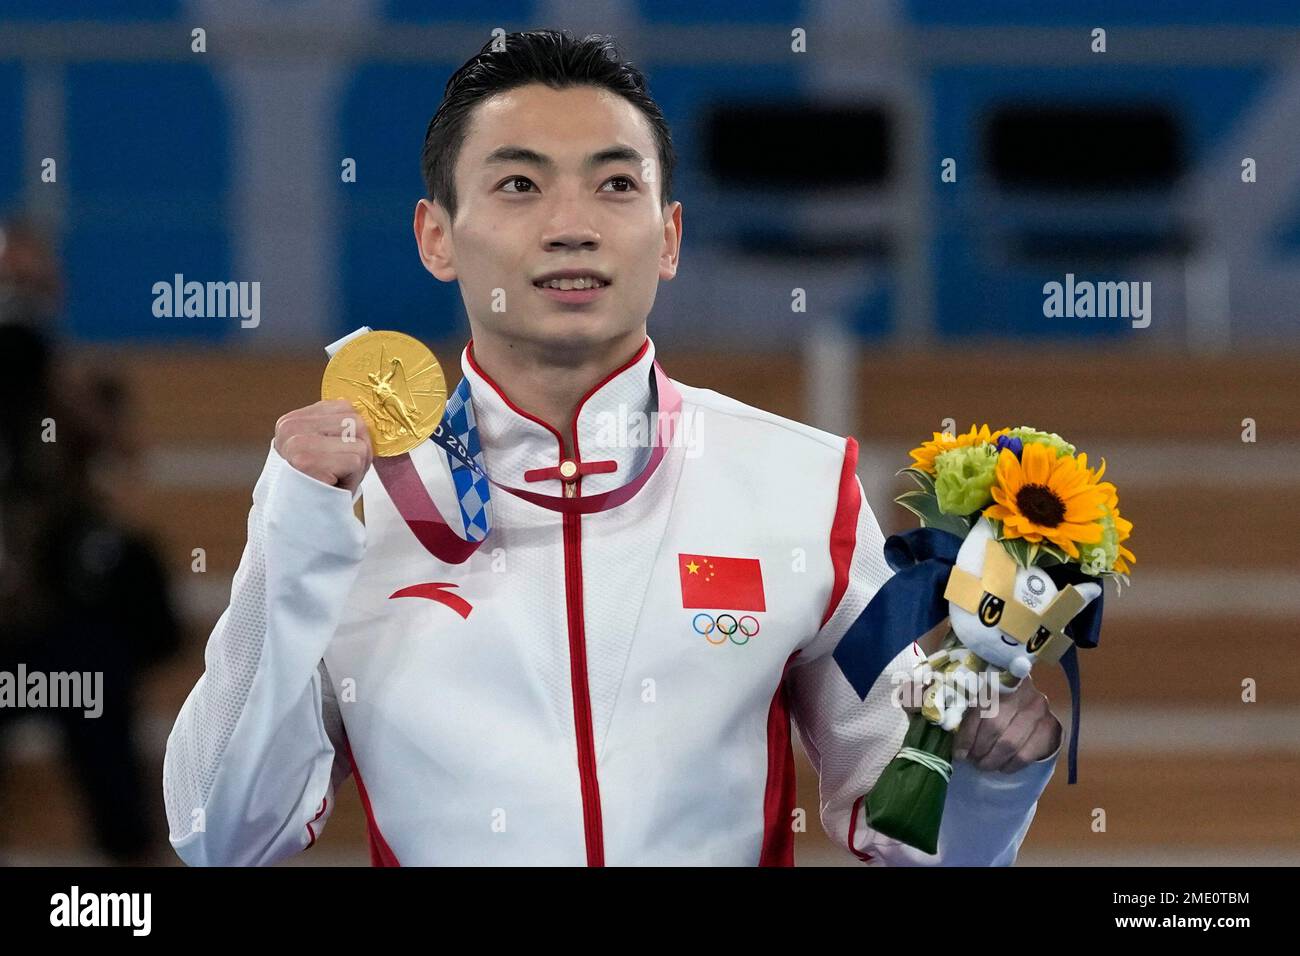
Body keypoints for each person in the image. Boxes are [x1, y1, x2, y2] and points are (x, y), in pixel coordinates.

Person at [162, 29, 1062, 867]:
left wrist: (989, 773)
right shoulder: (347, 506)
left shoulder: (802, 486)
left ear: (668, 238)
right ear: (437, 236)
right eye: (519, 185)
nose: (571, 226)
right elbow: (219, 833)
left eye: (615, 184)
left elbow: (906, 821)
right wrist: (294, 538)